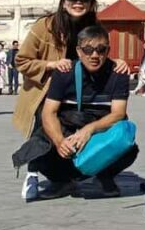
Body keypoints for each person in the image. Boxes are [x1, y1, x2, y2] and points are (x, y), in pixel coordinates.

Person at [13, 0, 129, 201]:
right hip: (44, 88)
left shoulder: (94, 27)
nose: (78, 2)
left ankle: (84, 172)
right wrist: (51, 65)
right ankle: (34, 172)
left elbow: (96, 53)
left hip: (78, 92)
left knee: (92, 130)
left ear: (91, 2)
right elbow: (22, 60)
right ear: (64, 1)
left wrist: (116, 62)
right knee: (45, 129)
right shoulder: (45, 26)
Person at [30, 25, 138, 199]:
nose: (94, 55)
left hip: (98, 132)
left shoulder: (118, 73)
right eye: (88, 50)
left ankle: (105, 174)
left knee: (127, 146)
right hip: (68, 130)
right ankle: (61, 181)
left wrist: (89, 130)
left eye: (101, 49)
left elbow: (118, 113)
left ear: (108, 50)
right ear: (79, 51)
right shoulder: (65, 72)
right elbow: (48, 112)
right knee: (38, 147)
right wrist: (59, 142)